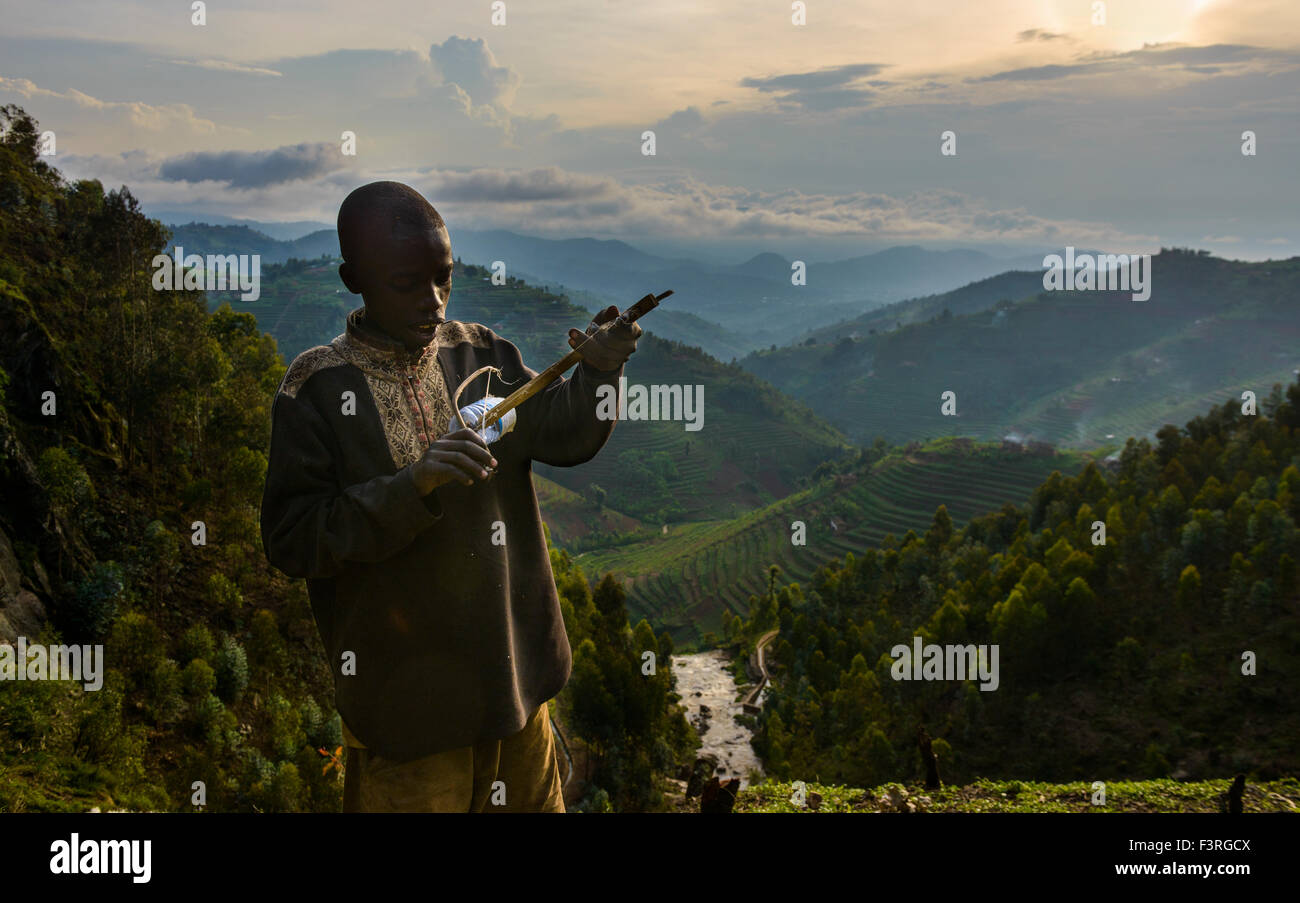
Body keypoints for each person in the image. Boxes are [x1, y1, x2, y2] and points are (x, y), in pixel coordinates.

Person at [259, 181, 640, 811]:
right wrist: (414, 486)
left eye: (444, 278)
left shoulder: (481, 354)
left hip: (516, 683)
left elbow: (568, 434)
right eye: (407, 284)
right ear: (353, 279)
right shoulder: (316, 391)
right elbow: (295, 539)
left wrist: (602, 370)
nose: (432, 301)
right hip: (408, 716)